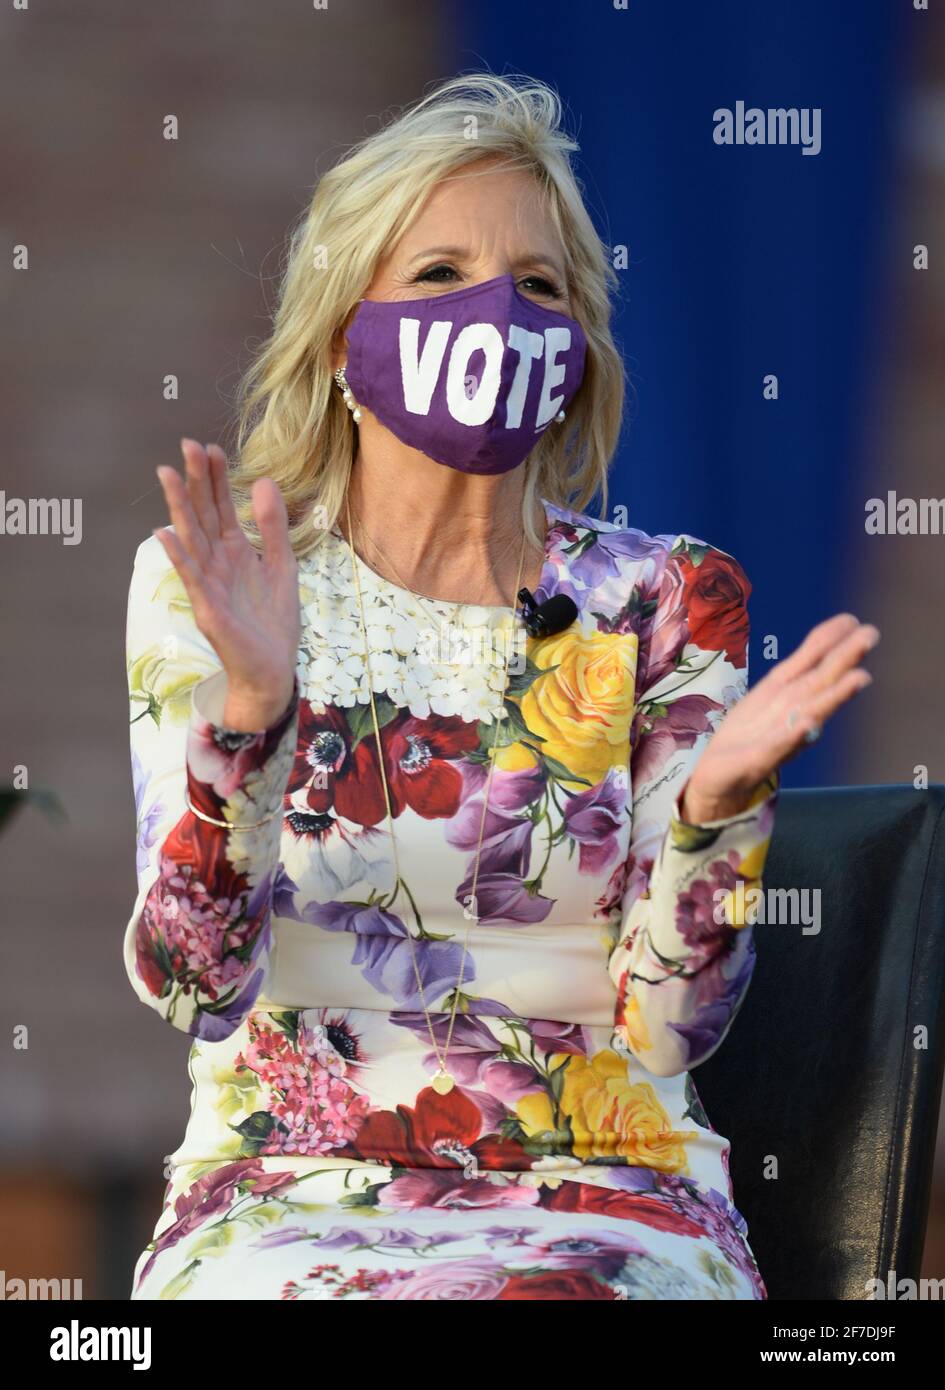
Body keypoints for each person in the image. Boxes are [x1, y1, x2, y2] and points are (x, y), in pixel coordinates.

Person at [124, 72, 878, 1301]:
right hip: (282, 1184)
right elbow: (192, 989)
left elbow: (674, 1032)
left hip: (609, 1186)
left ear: (577, 347)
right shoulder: (219, 579)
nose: (496, 314)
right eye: (439, 274)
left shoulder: (672, 599)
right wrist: (252, 718)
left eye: (539, 285)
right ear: (338, 332)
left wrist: (715, 819)